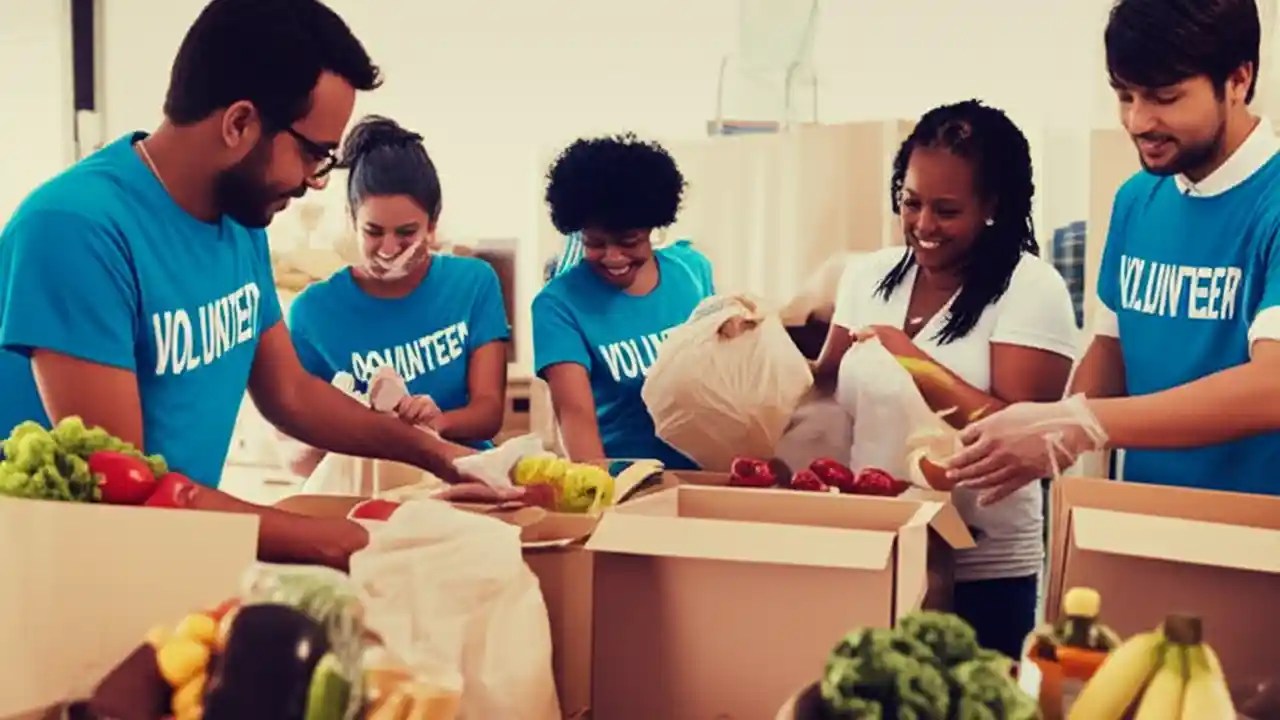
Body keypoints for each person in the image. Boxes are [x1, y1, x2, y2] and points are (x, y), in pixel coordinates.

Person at [0, 0, 490, 571]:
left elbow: (290, 394)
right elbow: (123, 490)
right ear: (238, 124)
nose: (315, 179)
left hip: (175, 551)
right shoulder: (75, 230)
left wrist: (443, 457)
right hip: (65, 576)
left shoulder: (240, 215)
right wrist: (346, 540)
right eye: (314, 153)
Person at [947, 0, 1280, 503]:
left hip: (1254, 542)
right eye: (1125, 96)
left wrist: (1081, 423)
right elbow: (1111, 351)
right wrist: (1042, 437)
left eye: (1165, 97)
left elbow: (1272, 387)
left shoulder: (1270, 201)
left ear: (1237, 80)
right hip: (1139, 521)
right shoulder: (1136, 199)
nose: (1138, 121)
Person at [811, 100, 1079, 658]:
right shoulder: (868, 276)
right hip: (873, 548)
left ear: (992, 206)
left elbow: (1015, 433)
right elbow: (823, 387)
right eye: (911, 203)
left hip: (981, 570)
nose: (923, 226)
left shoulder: (1031, 289)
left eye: (946, 210)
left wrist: (909, 359)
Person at [280, 115, 511, 479]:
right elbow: (295, 458)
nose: (388, 249)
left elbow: (488, 414)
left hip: (462, 478)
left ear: (432, 225)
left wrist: (438, 422)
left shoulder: (473, 283)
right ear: (351, 219)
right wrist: (347, 425)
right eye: (373, 232)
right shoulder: (313, 312)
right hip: (363, 492)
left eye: (406, 233)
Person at [532, 133, 714, 469]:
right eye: (595, 243)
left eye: (629, 241)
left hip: (708, 475)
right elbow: (575, 416)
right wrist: (600, 492)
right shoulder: (557, 305)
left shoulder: (693, 271)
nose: (613, 257)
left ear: (652, 227)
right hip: (625, 484)